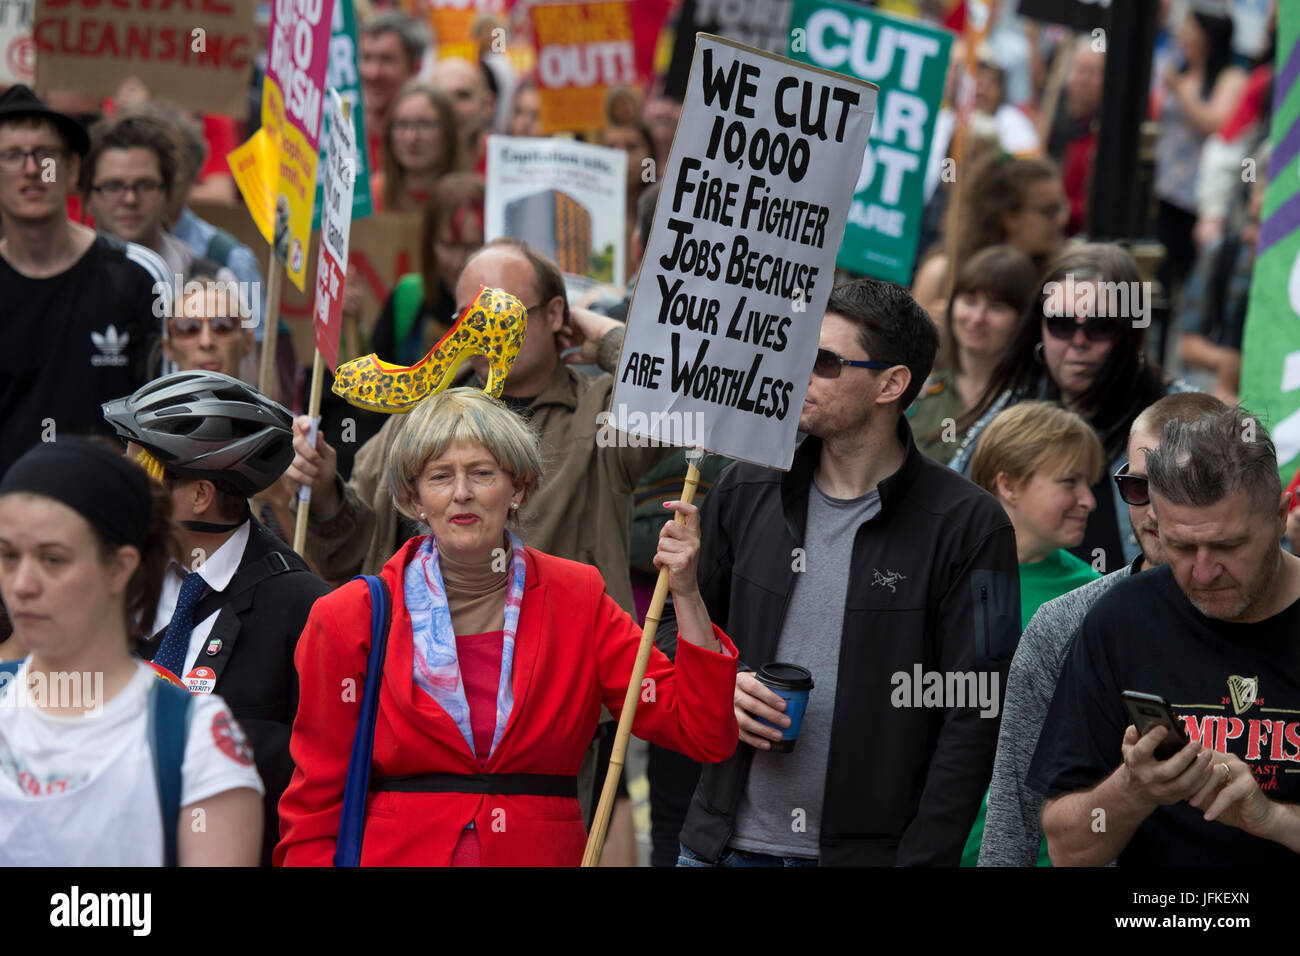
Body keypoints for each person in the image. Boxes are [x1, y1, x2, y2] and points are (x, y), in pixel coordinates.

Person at [275, 387, 739, 865]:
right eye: (440, 476)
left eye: (482, 472)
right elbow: (315, 802)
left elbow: (702, 731)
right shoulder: (349, 615)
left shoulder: (578, 598)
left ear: (517, 488)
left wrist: (686, 593)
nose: (462, 492)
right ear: (414, 498)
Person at [674, 279, 1021, 866]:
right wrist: (716, 685)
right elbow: (668, 627)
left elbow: (978, 711)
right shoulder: (745, 485)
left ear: (891, 384)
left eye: (826, 362)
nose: (800, 373)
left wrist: (921, 860)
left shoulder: (971, 526)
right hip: (720, 844)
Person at [1033, 406, 1300, 865]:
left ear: (1280, 517)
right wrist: (1133, 790)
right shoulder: (1123, 618)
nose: (1203, 572)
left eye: (1228, 545)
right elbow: (1068, 850)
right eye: (1179, 546)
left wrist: (1273, 819)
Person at [979, 391, 1226, 866]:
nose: (1155, 510)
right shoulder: (1066, 618)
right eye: (1138, 488)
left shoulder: (1268, 609)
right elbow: (1013, 815)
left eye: (1179, 485)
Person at [103, 371, 333, 866]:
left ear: (201, 496)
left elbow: (318, 793)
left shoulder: (307, 611)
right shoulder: (111, 579)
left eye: (138, 470)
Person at [0, 438, 263, 865]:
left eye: (53, 559)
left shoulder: (195, 738)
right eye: (8, 556)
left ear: (120, 568)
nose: (22, 584)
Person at [950, 242, 1200, 573]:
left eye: (1099, 326)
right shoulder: (1013, 412)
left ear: (1131, 333)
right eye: (1062, 323)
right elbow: (947, 514)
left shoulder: (1189, 422)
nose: (1078, 341)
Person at [957, 400, 1104, 864]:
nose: (1090, 500)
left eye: (1089, 483)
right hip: (936, 841)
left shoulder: (1097, 595)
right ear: (1008, 484)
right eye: (1069, 482)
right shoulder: (938, 573)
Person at [0, 85, 167, 476]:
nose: (31, 169)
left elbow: (167, 420)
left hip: (109, 519)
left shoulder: (140, 275)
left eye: (45, 155)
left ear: (73, 169)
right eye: (11, 156)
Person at [1154, 6, 1247, 321]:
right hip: (1164, 191)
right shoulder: (1179, 69)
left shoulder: (1231, 77)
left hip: (1199, 203)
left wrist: (1179, 89)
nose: (1184, 37)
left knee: (1193, 290)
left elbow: (1215, 123)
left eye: (1191, 32)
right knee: (1155, 288)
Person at [907, 245, 1038, 462]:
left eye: (996, 308)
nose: (977, 318)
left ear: (1022, 320)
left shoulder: (1030, 402)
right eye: (970, 301)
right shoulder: (916, 388)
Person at [911, 153, 1066, 329]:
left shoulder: (1055, 282)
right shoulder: (943, 274)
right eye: (1048, 211)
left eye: (1061, 209)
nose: (1061, 220)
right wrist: (933, 331)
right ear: (1010, 217)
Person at [82, 113, 193, 281]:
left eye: (145, 185)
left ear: (169, 194)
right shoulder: (59, 279)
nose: (130, 199)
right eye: (113, 186)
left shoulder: (209, 283)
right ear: (88, 197)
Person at [371, 82, 461, 214]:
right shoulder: (372, 195)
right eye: (402, 124)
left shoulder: (469, 199)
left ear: (448, 131)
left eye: (425, 124)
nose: (411, 137)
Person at [1046, 37, 1104, 235]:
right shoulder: (1045, 119)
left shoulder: (1100, 138)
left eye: (1092, 72)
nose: (1083, 79)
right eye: (1080, 69)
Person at [359, 10, 428, 171]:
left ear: (416, 67)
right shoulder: (345, 129)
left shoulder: (434, 138)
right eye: (366, 58)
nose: (373, 73)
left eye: (386, 60)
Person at [598, 120, 655, 284]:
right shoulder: (582, 218)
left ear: (650, 155)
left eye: (631, 147)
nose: (620, 157)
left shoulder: (665, 212)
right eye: (610, 147)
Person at [431, 57, 495, 174]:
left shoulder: (507, 160)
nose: (452, 108)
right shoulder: (415, 166)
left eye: (463, 96)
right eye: (443, 97)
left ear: (487, 105)